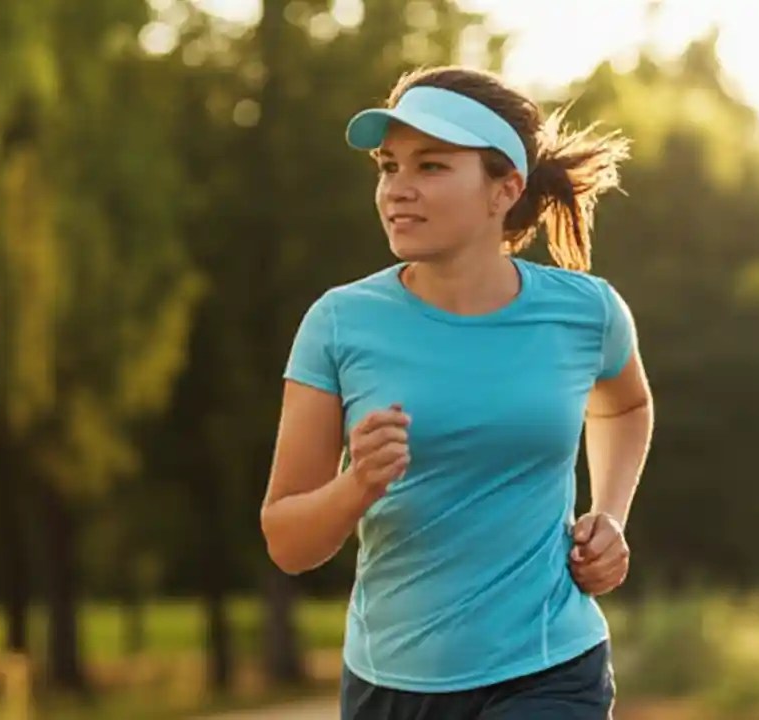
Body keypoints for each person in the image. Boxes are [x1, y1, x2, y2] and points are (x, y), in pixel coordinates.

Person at [260, 65, 653, 719]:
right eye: (389, 166)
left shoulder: (588, 312)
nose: (397, 191)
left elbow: (627, 405)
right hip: (392, 683)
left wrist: (609, 515)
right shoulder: (339, 323)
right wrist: (355, 487)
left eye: (431, 167)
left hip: (550, 669)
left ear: (505, 188)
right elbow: (288, 542)